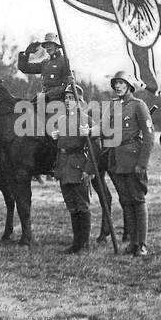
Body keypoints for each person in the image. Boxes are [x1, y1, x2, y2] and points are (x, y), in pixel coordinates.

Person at [107, 70, 153, 256]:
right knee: (125, 201)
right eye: (116, 83)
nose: (118, 86)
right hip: (117, 159)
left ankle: (141, 244)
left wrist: (142, 164)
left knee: (137, 201)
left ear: (129, 86)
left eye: (122, 83)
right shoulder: (113, 106)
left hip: (133, 158)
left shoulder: (138, 105)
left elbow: (149, 137)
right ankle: (132, 242)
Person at [56, 109, 96, 254]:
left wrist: (89, 169)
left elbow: (95, 146)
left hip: (78, 165)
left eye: (72, 97)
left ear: (79, 99)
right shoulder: (61, 120)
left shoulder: (86, 120)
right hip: (64, 164)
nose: (68, 100)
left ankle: (83, 244)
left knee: (82, 205)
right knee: (71, 205)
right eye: (66, 97)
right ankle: (76, 243)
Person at [17, 33, 71, 102]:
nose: (48, 48)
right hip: (44, 99)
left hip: (58, 100)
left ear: (56, 46)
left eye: (50, 45)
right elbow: (24, 68)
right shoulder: (45, 63)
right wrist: (26, 53)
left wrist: (48, 95)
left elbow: (66, 85)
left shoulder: (63, 61)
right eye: (46, 46)